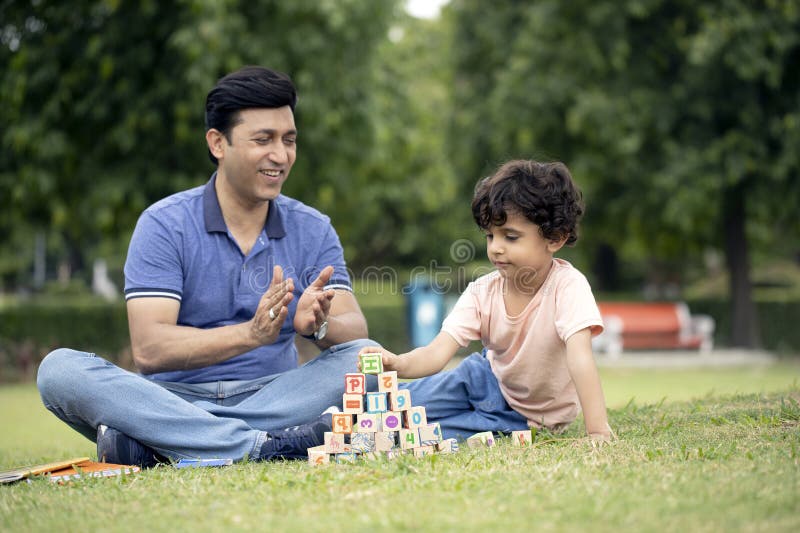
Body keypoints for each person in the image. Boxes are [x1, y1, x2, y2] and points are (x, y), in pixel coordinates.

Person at [37, 66, 378, 467]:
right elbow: (150, 349)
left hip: (276, 395)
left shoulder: (313, 228)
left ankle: (171, 442)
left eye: (289, 140)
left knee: (364, 357)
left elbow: (356, 331)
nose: (281, 155)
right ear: (218, 143)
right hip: (173, 399)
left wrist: (317, 325)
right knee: (58, 371)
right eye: (263, 139)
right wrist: (251, 334)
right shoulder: (164, 224)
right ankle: (263, 445)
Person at [361, 160, 613, 442]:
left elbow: (580, 358)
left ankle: (339, 432)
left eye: (511, 237)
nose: (495, 248)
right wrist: (398, 363)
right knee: (383, 408)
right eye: (491, 236)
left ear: (555, 238)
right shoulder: (483, 291)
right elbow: (437, 352)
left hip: (522, 420)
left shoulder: (568, 287)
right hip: (480, 379)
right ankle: (320, 426)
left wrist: (598, 431)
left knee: (420, 434)